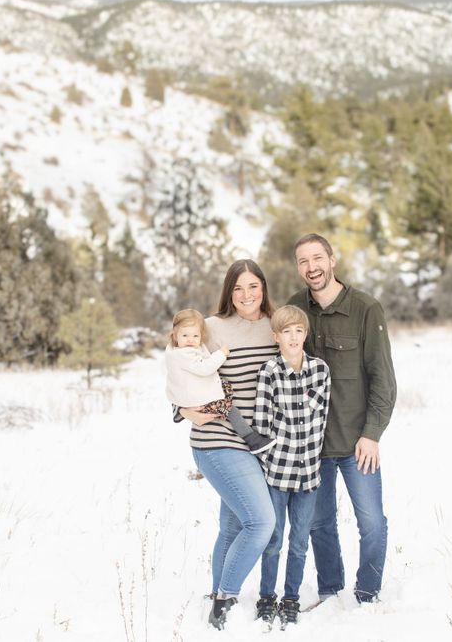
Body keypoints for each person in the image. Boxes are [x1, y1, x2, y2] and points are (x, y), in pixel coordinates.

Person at [287, 233, 397, 604]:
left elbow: (383, 379)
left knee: (373, 523)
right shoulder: (294, 310)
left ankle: (368, 593)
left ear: (332, 260)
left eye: (317, 258)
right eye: (303, 261)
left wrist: (372, 434)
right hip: (311, 446)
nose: (311, 267)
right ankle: (330, 591)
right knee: (319, 524)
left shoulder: (366, 308)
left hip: (356, 442)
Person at [173, 260, 279, 630]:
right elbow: (180, 370)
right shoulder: (212, 328)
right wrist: (180, 408)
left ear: (263, 288)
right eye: (238, 288)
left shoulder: (275, 325)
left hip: (259, 444)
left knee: (233, 526)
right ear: (228, 292)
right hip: (217, 439)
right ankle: (224, 600)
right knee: (261, 522)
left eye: (253, 286)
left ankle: (216, 591)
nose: (246, 295)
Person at [252, 305, 331, 627]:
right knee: (273, 540)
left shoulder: (320, 370)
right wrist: (269, 461)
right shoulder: (269, 372)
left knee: (299, 542)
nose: (294, 337)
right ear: (276, 337)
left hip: (309, 473)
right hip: (277, 472)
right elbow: (262, 425)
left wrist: (311, 457)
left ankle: (291, 598)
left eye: (299, 330)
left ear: (306, 333)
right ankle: (266, 597)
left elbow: (322, 420)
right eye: (287, 332)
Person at [165, 308, 275, 455]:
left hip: (196, 397)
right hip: (200, 401)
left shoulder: (176, 351)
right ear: (175, 335)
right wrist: (221, 354)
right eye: (185, 335)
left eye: (195, 336)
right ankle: (252, 439)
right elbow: (205, 368)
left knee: (225, 392)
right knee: (231, 410)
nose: (190, 340)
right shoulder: (184, 354)